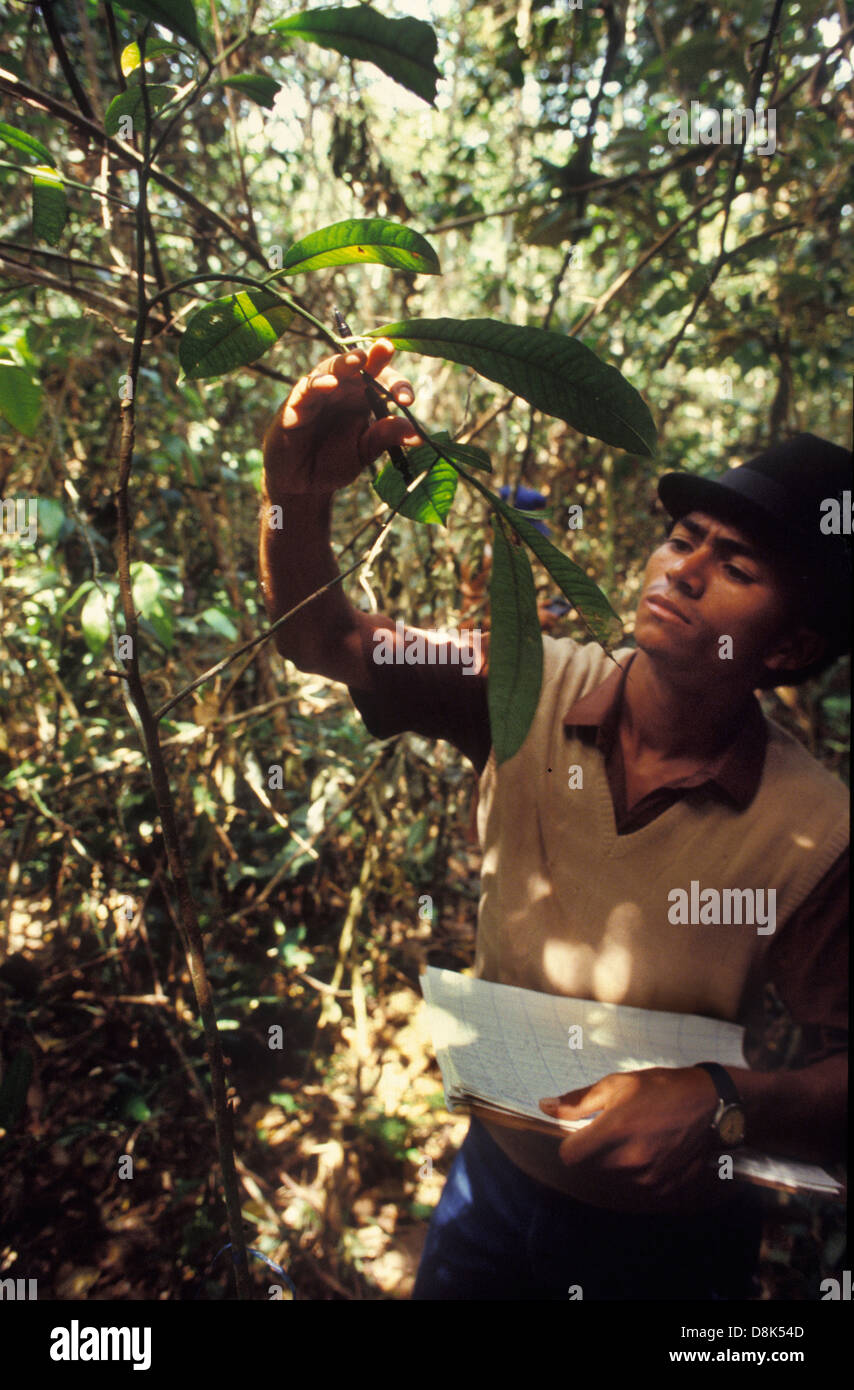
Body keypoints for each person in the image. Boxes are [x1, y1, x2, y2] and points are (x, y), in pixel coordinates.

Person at [258, 340, 850, 1301]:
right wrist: (295, 489)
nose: (686, 568)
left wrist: (721, 1104)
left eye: (733, 561)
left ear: (790, 643)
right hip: (493, 1183)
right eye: (684, 537)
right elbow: (326, 639)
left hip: (670, 1240)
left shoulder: (814, 830)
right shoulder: (521, 682)